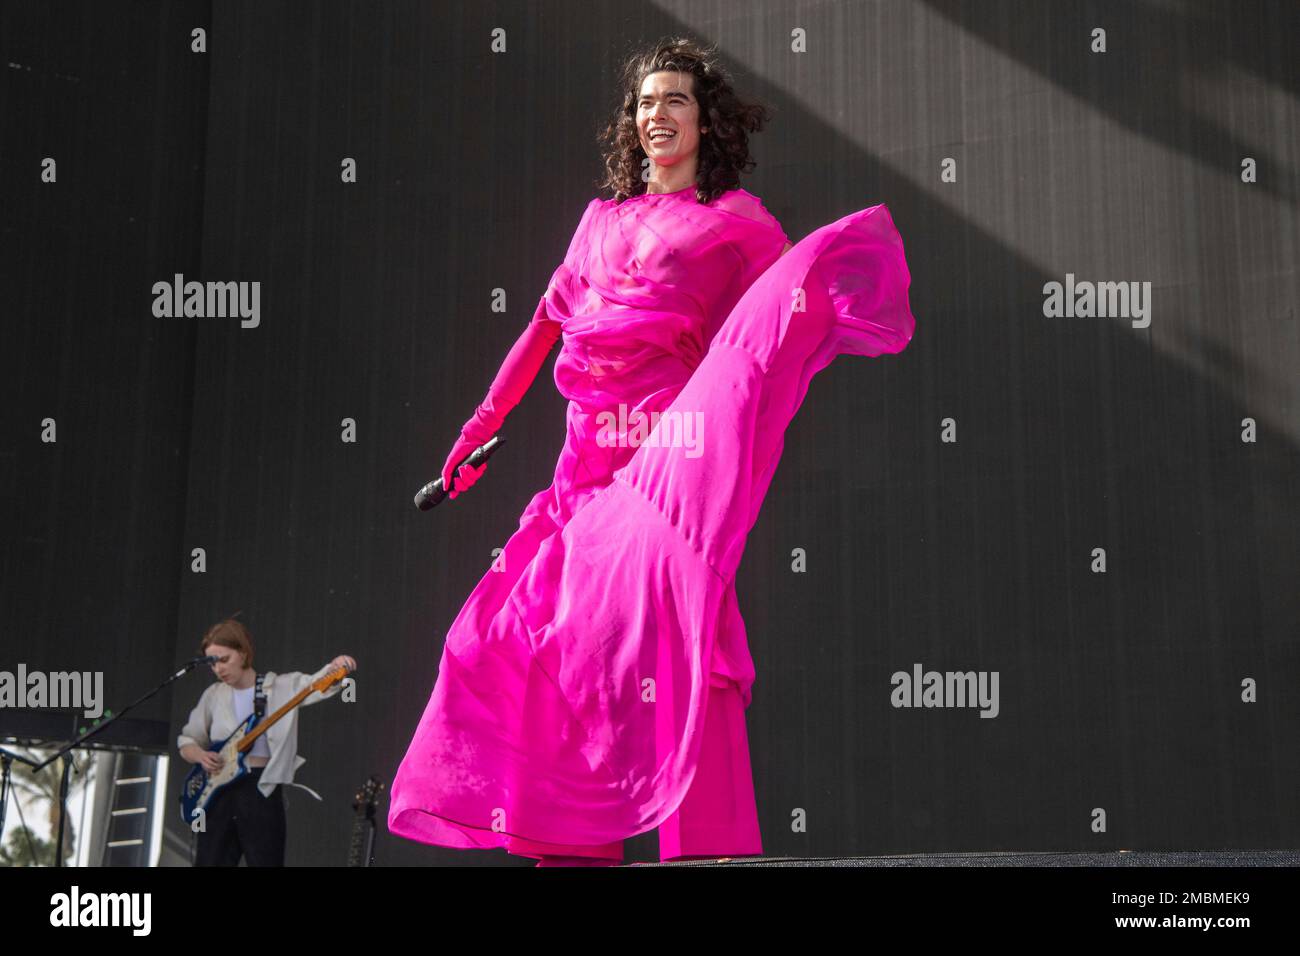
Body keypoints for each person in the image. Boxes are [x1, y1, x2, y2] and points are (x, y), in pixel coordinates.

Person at [389, 37, 916, 865]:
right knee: (537, 639)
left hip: (667, 455)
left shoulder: (739, 224)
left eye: (673, 100)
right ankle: (569, 847)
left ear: (706, 122)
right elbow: (543, 325)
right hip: (585, 462)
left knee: (678, 640)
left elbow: (767, 325)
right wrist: (477, 428)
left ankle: (703, 852)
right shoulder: (600, 219)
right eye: (644, 104)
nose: (656, 114)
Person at [177, 616, 357, 866]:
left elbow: (316, 685)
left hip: (261, 787)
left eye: (224, 660)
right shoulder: (213, 695)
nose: (218, 669)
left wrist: (336, 668)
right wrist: (200, 756)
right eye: (212, 664)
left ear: (242, 652)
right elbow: (187, 740)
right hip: (218, 793)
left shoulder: (280, 686)